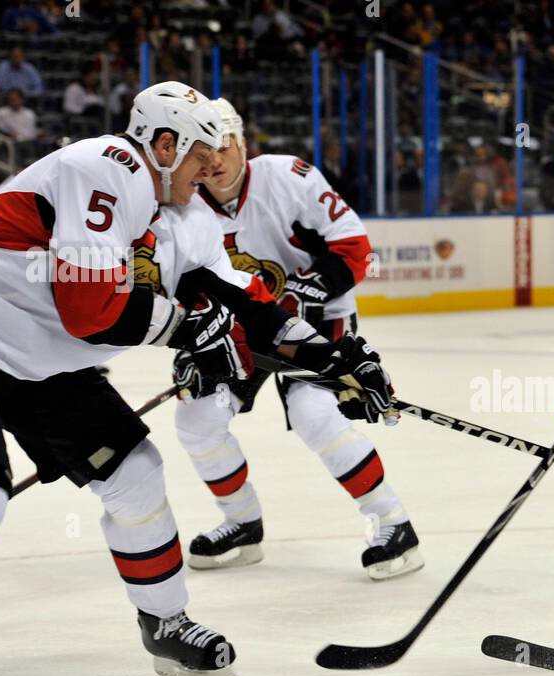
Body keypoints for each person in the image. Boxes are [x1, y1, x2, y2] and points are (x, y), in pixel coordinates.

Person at [0, 82, 391, 676]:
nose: (210, 170)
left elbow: (252, 306)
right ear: (165, 144)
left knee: (134, 471)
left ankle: (165, 623)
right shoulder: (107, 166)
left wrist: (333, 358)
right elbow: (90, 310)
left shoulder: (190, 216)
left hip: (36, 358)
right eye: (201, 156)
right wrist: (187, 327)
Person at [177, 98, 421, 579]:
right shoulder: (181, 203)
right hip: (238, 330)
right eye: (204, 151)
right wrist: (189, 338)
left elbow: (353, 246)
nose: (216, 160)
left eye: (225, 145)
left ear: (243, 141)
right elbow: (178, 282)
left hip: (314, 320)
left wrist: (314, 283)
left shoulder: (289, 176)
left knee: (315, 414)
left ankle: (394, 525)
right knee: (197, 420)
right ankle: (242, 524)